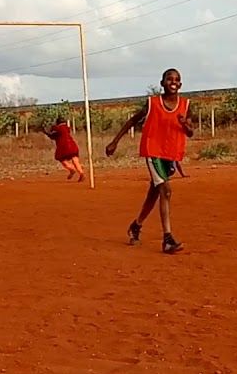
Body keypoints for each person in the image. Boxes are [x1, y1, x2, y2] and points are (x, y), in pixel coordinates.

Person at [106, 68, 195, 254]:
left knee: (154, 194)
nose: (173, 82)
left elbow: (190, 132)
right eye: (169, 79)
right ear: (162, 83)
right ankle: (167, 239)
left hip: (171, 155)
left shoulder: (186, 105)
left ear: (180, 84)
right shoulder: (153, 103)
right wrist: (115, 142)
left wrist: (184, 124)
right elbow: (133, 120)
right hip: (153, 151)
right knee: (166, 190)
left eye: (176, 79)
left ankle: (136, 226)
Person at [44, 116, 85, 182]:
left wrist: (47, 132)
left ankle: (71, 169)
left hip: (64, 147)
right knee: (75, 161)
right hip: (72, 146)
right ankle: (81, 173)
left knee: (62, 160)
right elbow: (55, 135)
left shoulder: (58, 129)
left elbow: (53, 135)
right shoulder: (66, 129)